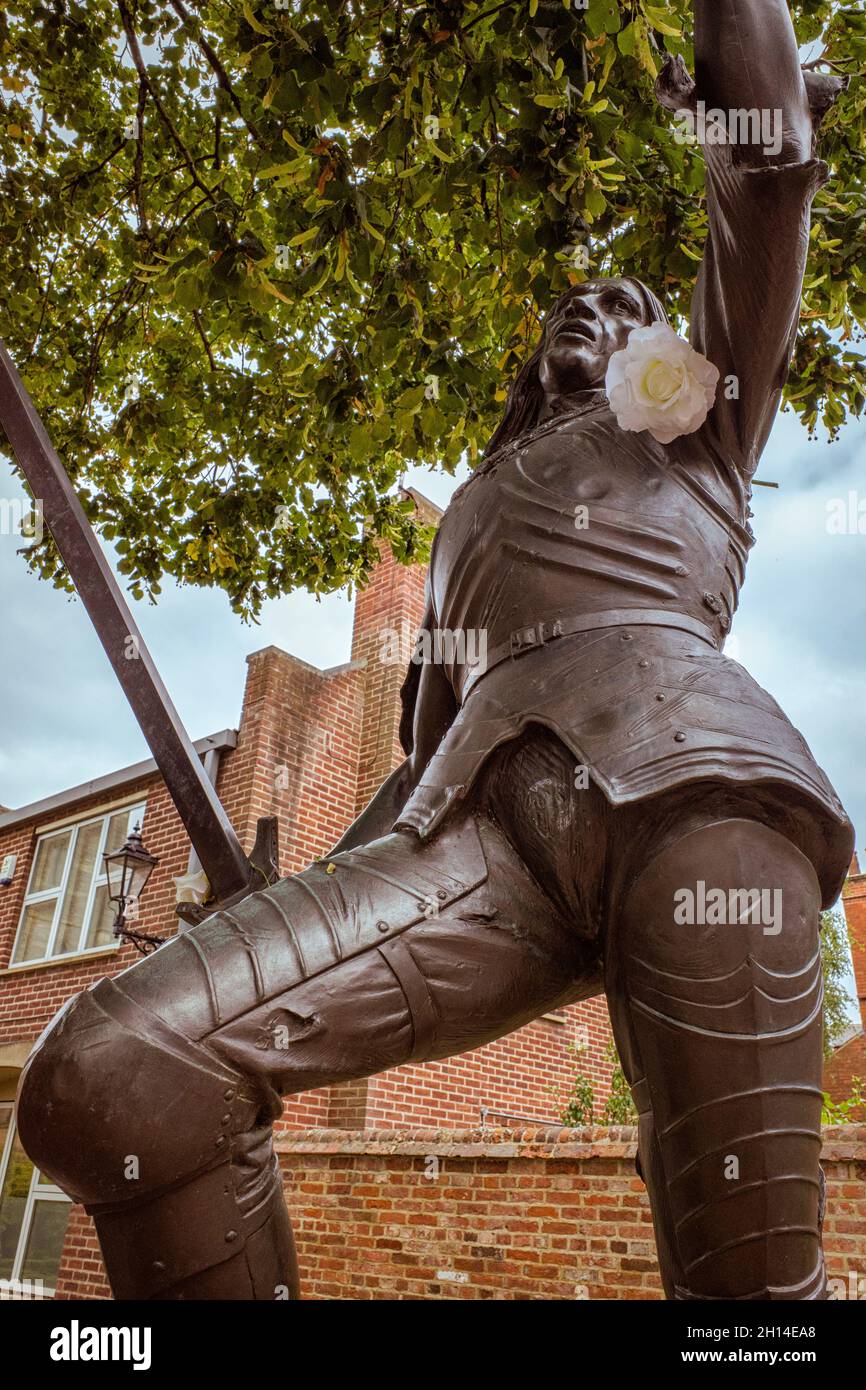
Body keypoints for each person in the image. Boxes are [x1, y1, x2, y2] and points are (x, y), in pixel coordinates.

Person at [16, 0, 853, 1300]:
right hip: (482, 852)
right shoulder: (472, 510)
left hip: (698, 799)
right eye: (573, 302)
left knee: (748, 1315)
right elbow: (422, 764)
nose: (594, 306)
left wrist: (741, 102)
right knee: (107, 1073)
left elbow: (761, 182)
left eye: (630, 306)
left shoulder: (697, 435)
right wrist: (293, 900)